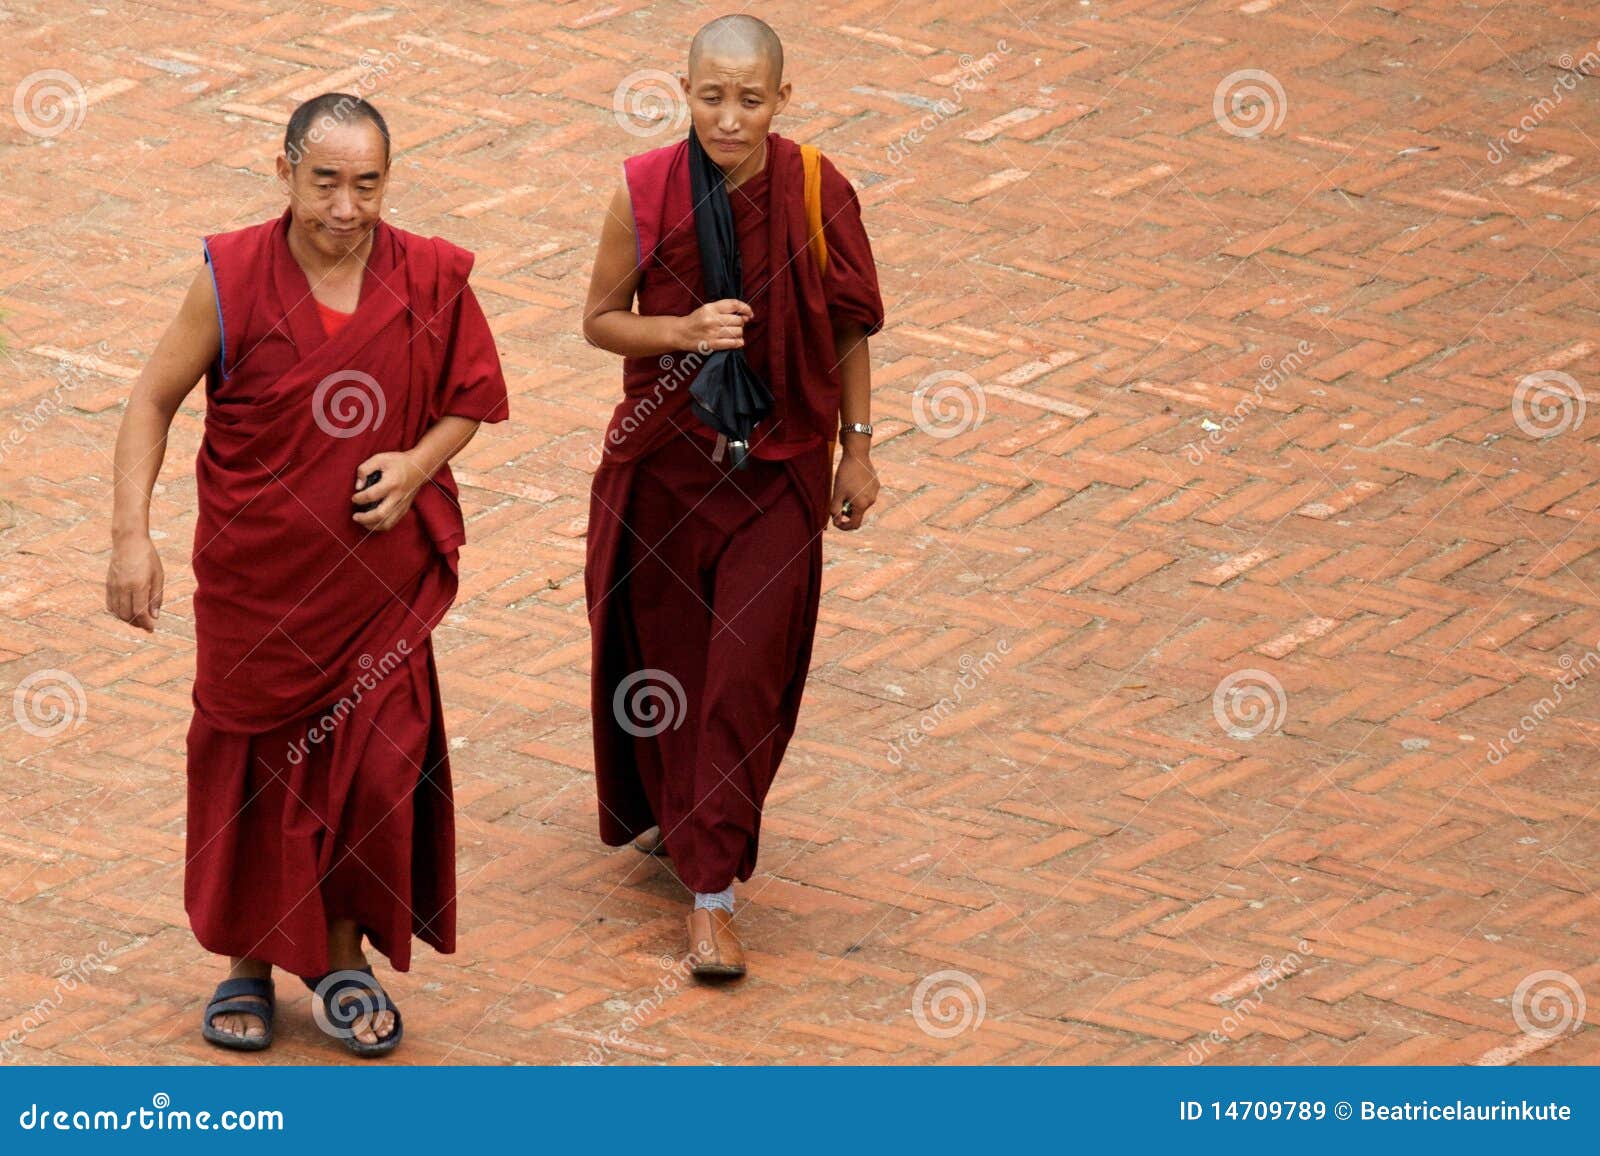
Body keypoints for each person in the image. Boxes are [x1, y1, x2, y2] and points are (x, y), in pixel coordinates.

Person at [104, 92, 509, 1055]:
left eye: (367, 184)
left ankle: (341, 954)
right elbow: (151, 400)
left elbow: (471, 400)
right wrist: (131, 536)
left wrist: (417, 467)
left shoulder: (432, 275)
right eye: (324, 181)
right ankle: (247, 960)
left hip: (378, 589)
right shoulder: (233, 274)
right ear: (284, 170)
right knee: (250, 769)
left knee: (376, 771)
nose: (345, 207)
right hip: (259, 579)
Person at [582, 14, 885, 980]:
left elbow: (847, 328)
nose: (729, 117)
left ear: (782, 100)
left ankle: (711, 898)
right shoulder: (645, 191)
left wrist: (859, 451)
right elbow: (600, 321)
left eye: (750, 99)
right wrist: (682, 333)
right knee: (670, 667)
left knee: (744, 676)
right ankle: (684, 819)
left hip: (780, 468)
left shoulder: (814, 187)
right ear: (685, 91)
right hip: (669, 472)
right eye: (711, 96)